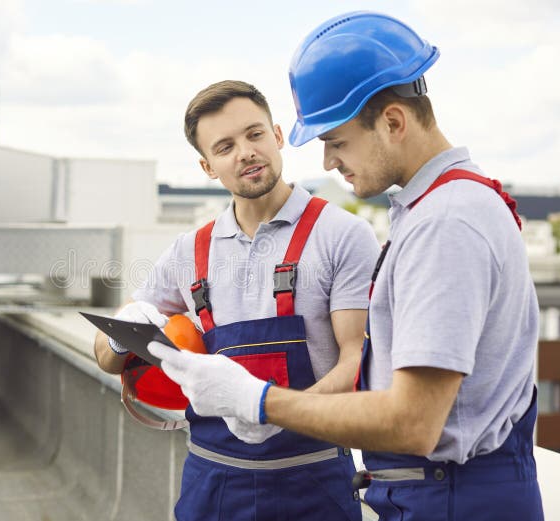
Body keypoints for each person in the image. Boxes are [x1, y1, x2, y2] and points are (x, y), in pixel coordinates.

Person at [149, 11, 545, 521]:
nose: (330, 162)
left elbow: (414, 422)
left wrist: (259, 401)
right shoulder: (441, 209)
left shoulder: (446, 223)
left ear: (393, 122)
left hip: (452, 499)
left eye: (336, 141)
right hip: (434, 493)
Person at [93, 80, 379, 521]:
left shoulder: (342, 235)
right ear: (208, 166)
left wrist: (275, 411)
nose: (245, 152)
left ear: (278, 136)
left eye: (254, 134)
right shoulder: (189, 251)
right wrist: (119, 335)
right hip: (212, 486)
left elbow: (353, 361)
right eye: (225, 146)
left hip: (314, 485)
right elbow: (108, 359)